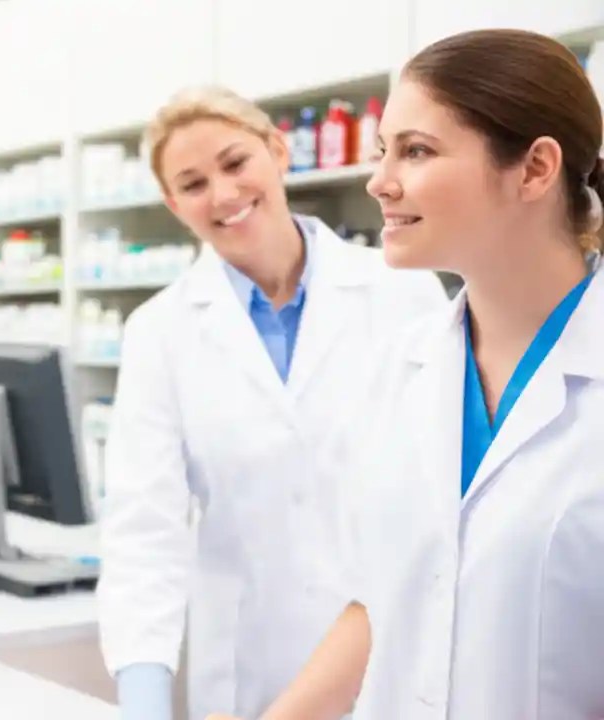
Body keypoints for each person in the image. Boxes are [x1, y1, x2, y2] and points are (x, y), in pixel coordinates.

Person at [208, 28, 604, 720]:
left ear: (535, 169)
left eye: (417, 151)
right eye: (384, 149)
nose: (379, 181)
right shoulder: (399, 365)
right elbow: (379, 599)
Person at [96, 86, 448, 720]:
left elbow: (438, 500)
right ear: (174, 204)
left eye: (235, 163)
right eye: (193, 184)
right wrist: (144, 703)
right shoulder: (159, 332)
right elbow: (144, 532)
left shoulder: (404, 292)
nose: (223, 194)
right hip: (244, 675)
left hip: (387, 664)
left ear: (278, 152)